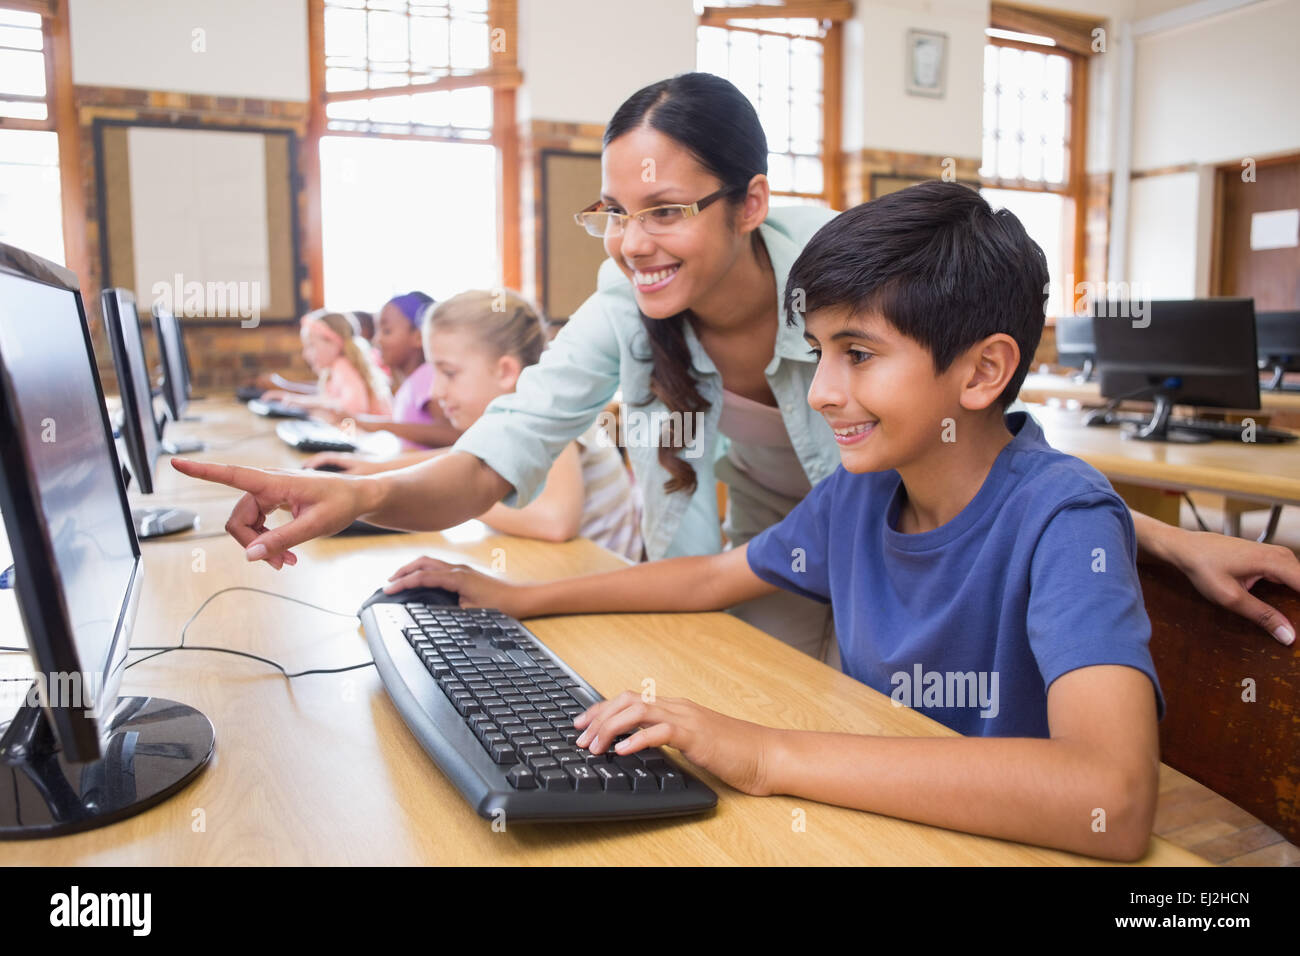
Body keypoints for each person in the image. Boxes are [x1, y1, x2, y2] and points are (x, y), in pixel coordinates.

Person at [172, 72, 1300, 650]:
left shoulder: (850, 274)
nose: (629, 242)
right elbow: (490, 460)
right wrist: (355, 494)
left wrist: (1148, 533)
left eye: (663, 210)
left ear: (750, 201)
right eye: (612, 211)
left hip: (899, 557)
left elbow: (985, 453)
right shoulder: (626, 302)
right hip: (778, 557)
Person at [380, 183, 1164, 860]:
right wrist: (522, 601)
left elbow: (1113, 799)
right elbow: (717, 575)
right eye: (818, 350)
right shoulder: (865, 491)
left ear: (983, 370)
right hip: (873, 828)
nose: (821, 392)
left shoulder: (1066, 522)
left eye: (858, 353)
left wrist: (764, 754)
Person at [316, 290, 643, 561]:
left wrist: (458, 500)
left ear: (504, 371)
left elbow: (555, 523)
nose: (434, 391)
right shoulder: (507, 416)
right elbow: (463, 456)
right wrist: (373, 468)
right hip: (554, 570)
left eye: (449, 373)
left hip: (599, 589)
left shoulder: (550, 417)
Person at [308, 292, 461, 451]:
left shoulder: (427, 377)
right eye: (377, 331)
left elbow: (451, 435)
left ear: (418, 336)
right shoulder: (412, 381)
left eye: (387, 331)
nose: (376, 340)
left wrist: (374, 424)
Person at [260, 310, 391, 420]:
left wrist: (303, 402)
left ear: (334, 344)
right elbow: (329, 398)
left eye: (311, 346)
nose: (305, 355)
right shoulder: (335, 368)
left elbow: (355, 407)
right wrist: (292, 398)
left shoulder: (343, 366)